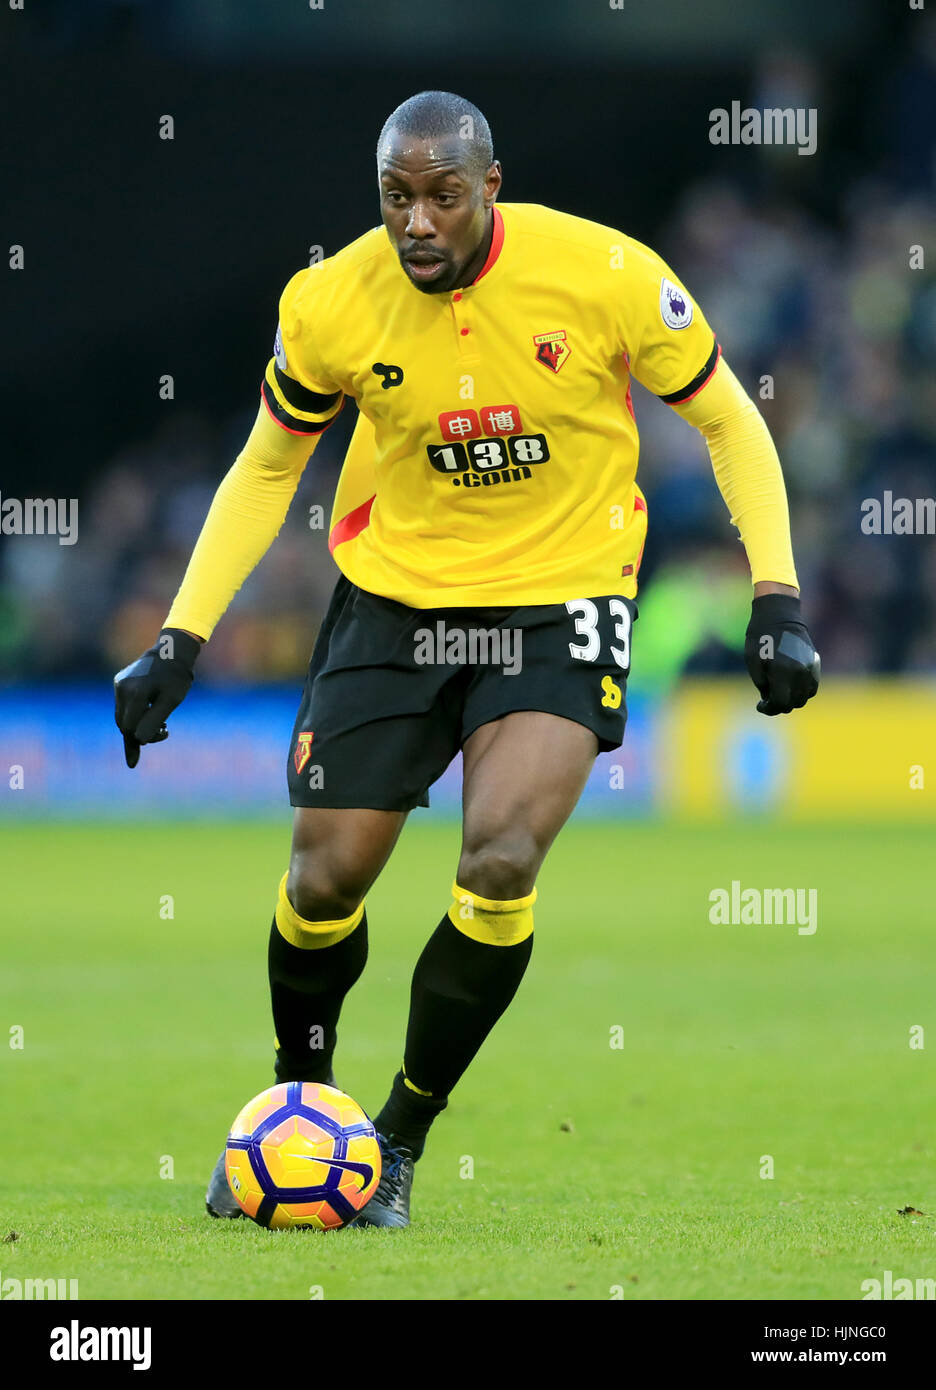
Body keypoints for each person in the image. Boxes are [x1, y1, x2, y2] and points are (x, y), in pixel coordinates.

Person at [114, 90, 820, 1229]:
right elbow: (262, 468)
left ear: (492, 184)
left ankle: (393, 1141)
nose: (419, 223)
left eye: (444, 195)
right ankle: (307, 1107)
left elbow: (732, 421)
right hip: (392, 601)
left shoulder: (606, 274)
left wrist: (778, 594)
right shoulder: (332, 302)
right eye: (397, 198)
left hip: (559, 598)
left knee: (498, 860)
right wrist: (177, 639)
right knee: (322, 881)